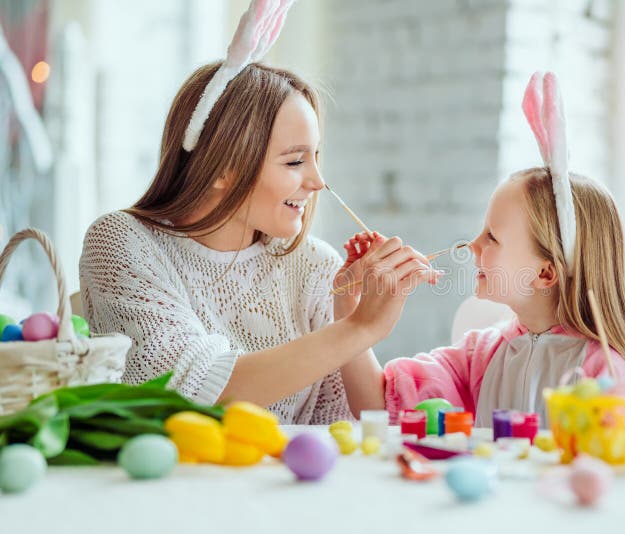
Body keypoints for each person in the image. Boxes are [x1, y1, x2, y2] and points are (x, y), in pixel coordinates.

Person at [79, 0, 438, 424]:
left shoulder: (316, 267)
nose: (318, 181)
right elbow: (200, 393)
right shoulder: (122, 242)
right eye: (294, 161)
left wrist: (349, 314)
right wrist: (358, 328)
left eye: (316, 156)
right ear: (222, 169)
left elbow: (365, 425)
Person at [339, 72, 625, 442]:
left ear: (546, 273)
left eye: (491, 236)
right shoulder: (482, 357)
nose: (472, 245)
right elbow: (377, 406)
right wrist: (347, 304)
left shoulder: (611, 376)